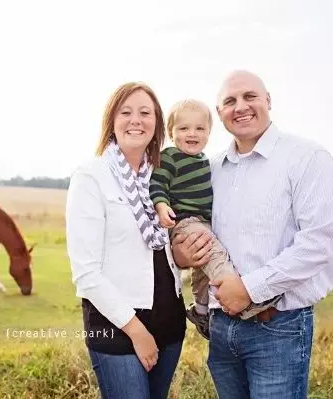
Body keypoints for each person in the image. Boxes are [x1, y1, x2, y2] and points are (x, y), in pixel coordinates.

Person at [171, 70, 333, 398]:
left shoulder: (307, 157)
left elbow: (319, 242)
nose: (240, 106)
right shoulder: (210, 169)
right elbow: (189, 226)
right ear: (219, 114)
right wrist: (181, 254)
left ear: (268, 101)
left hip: (279, 327)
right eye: (229, 101)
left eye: (250, 96)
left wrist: (249, 290)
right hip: (219, 327)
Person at [66, 82, 187, 399]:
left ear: (157, 124)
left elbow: (170, 250)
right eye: (126, 112)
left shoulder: (163, 176)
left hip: (170, 322)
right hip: (117, 326)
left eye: (145, 113)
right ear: (112, 121)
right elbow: (86, 273)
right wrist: (136, 331)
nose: (137, 120)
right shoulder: (91, 176)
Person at [149, 99, 279, 339]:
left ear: (209, 132)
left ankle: (201, 310)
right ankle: (243, 298)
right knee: (213, 252)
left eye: (200, 129)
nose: (192, 134)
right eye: (184, 128)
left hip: (202, 221)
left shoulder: (205, 161)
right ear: (171, 132)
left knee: (203, 269)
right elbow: (158, 182)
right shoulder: (170, 156)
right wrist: (161, 205)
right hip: (184, 221)